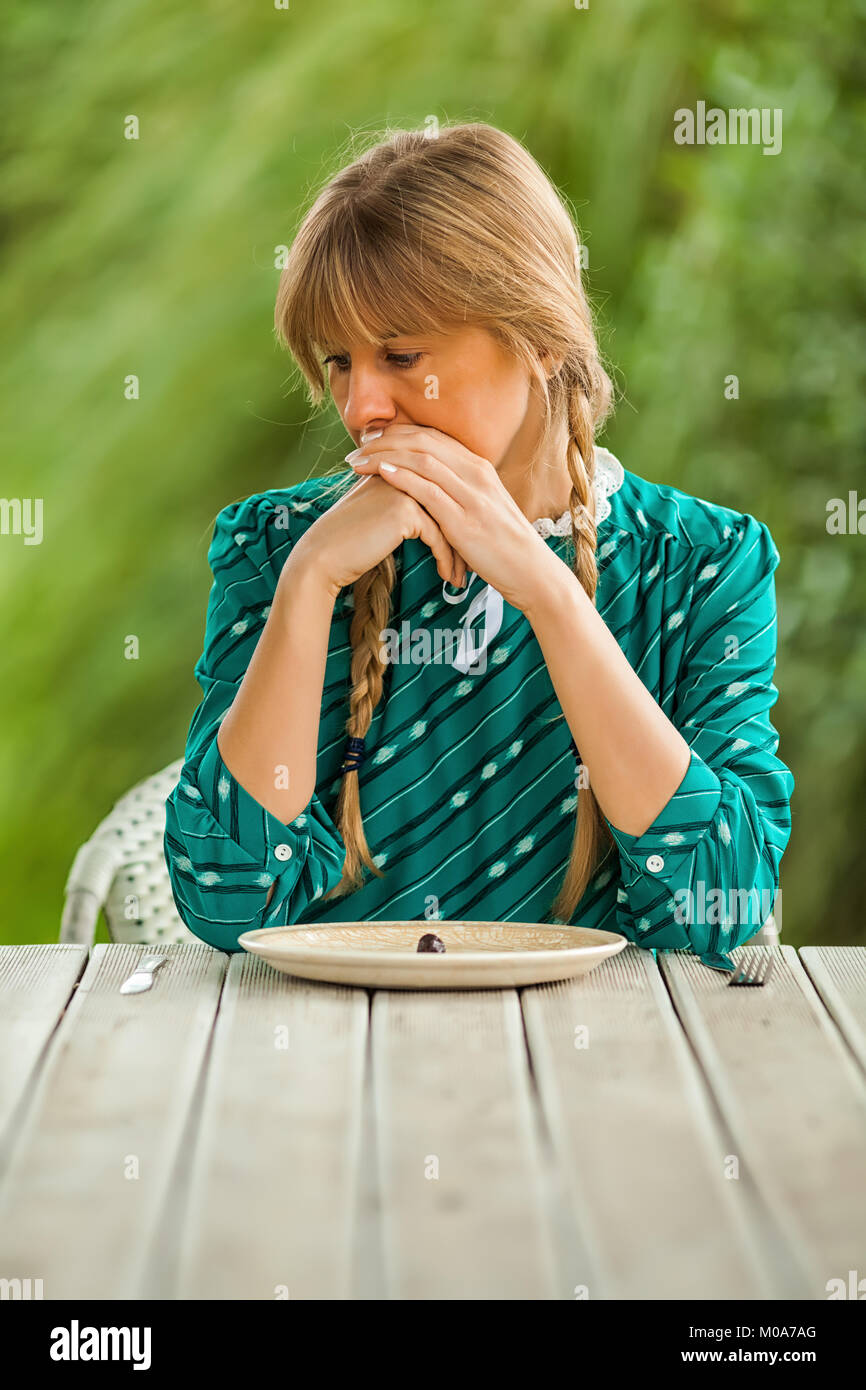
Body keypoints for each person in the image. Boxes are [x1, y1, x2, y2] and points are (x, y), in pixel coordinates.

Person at [164, 122, 793, 965]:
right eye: (340, 362)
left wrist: (551, 595)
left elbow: (725, 904)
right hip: (327, 1067)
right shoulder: (275, 547)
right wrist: (310, 582)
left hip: (608, 1071)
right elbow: (225, 901)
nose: (361, 409)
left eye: (400, 355)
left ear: (539, 338)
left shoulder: (703, 563)